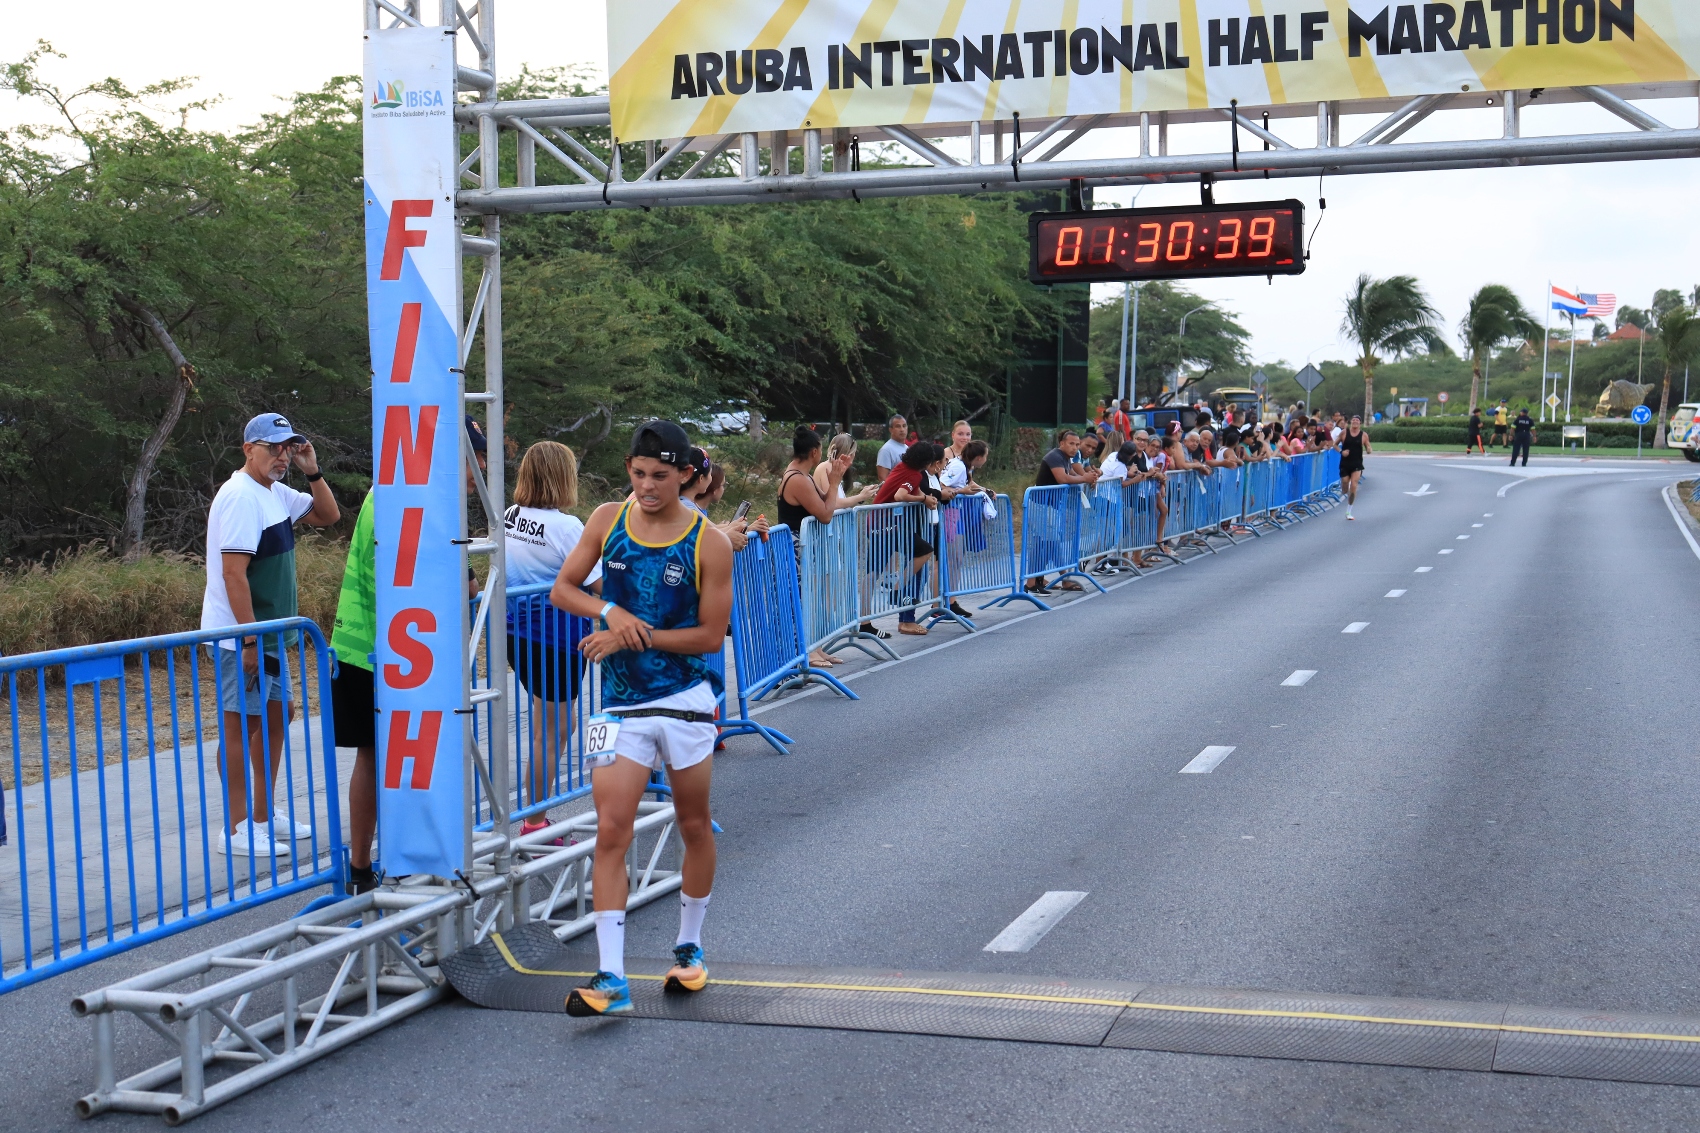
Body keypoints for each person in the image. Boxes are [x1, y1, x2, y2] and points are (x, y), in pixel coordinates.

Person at [550, 420, 733, 1017]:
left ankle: (690, 947)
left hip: (685, 703)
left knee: (694, 824)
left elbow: (710, 635)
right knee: (610, 829)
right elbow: (563, 589)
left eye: (660, 476)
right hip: (619, 707)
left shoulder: (710, 543)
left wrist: (633, 636)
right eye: (637, 474)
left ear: (686, 475)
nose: (647, 486)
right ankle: (610, 976)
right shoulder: (607, 520)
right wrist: (609, 609)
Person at [204, 413, 340, 859]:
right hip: (243, 635)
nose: (282, 455)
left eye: (288, 447)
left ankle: (264, 811)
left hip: (270, 635)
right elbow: (233, 573)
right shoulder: (241, 496)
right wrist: (247, 641)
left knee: (278, 715)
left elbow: (327, 514)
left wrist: (312, 468)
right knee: (243, 725)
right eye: (274, 447)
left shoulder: (274, 492)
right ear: (249, 450)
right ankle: (239, 826)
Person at [504, 441, 601, 835]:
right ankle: (534, 822)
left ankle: (535, 815)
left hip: (517, 634)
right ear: (564, 477)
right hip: (556, 638)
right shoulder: (567, 527)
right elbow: (599, 584)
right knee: (552, 732)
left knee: (559, 726)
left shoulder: (510, 515)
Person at [872, 442, 944, 634]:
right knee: (924, 551)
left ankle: (904, 616)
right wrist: (923, 499)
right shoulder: (913, 474)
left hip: (884, 523)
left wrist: (927, 498)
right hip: (887, 525)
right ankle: (897, 591)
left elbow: (917, 492)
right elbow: (900, 495)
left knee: (876, 572)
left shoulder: (903, 467)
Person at [1028, 430, 1098, 593]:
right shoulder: (1055, 456)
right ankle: (1036, 581)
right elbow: (1063, 478)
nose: (1075, 447)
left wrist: (1090, 477)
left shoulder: (1066, 459)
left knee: (1048, 543)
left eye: (1077, 444)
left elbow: (1073, 474)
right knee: (1047, 543)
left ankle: (1039, 579)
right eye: (1071, 444)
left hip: (1050, 506)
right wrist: (1084, 478)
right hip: (1041, 505)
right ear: (1062, 443)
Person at [1339, 414, 1370, 519]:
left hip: (1357, 464)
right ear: (1351, 422)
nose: (1355, 421)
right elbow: (1335, 444)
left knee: (1354, 485)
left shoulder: (1364, 435)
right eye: (1353, 420)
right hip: (1345, 463)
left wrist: (1369, 449)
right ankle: (1343, 488)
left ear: (1360, 423)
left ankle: (1349, 511)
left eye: (1357, 420)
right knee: (1344, 484)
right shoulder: (1344, 433)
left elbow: (1368, 446)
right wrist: (1341, 451)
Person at [875, 414, 909, 480]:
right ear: (891, 430)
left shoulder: (907, 449)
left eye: (904, 426)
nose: (902, 429)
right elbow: (882, 478)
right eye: (898, 426)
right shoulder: (886, 450)